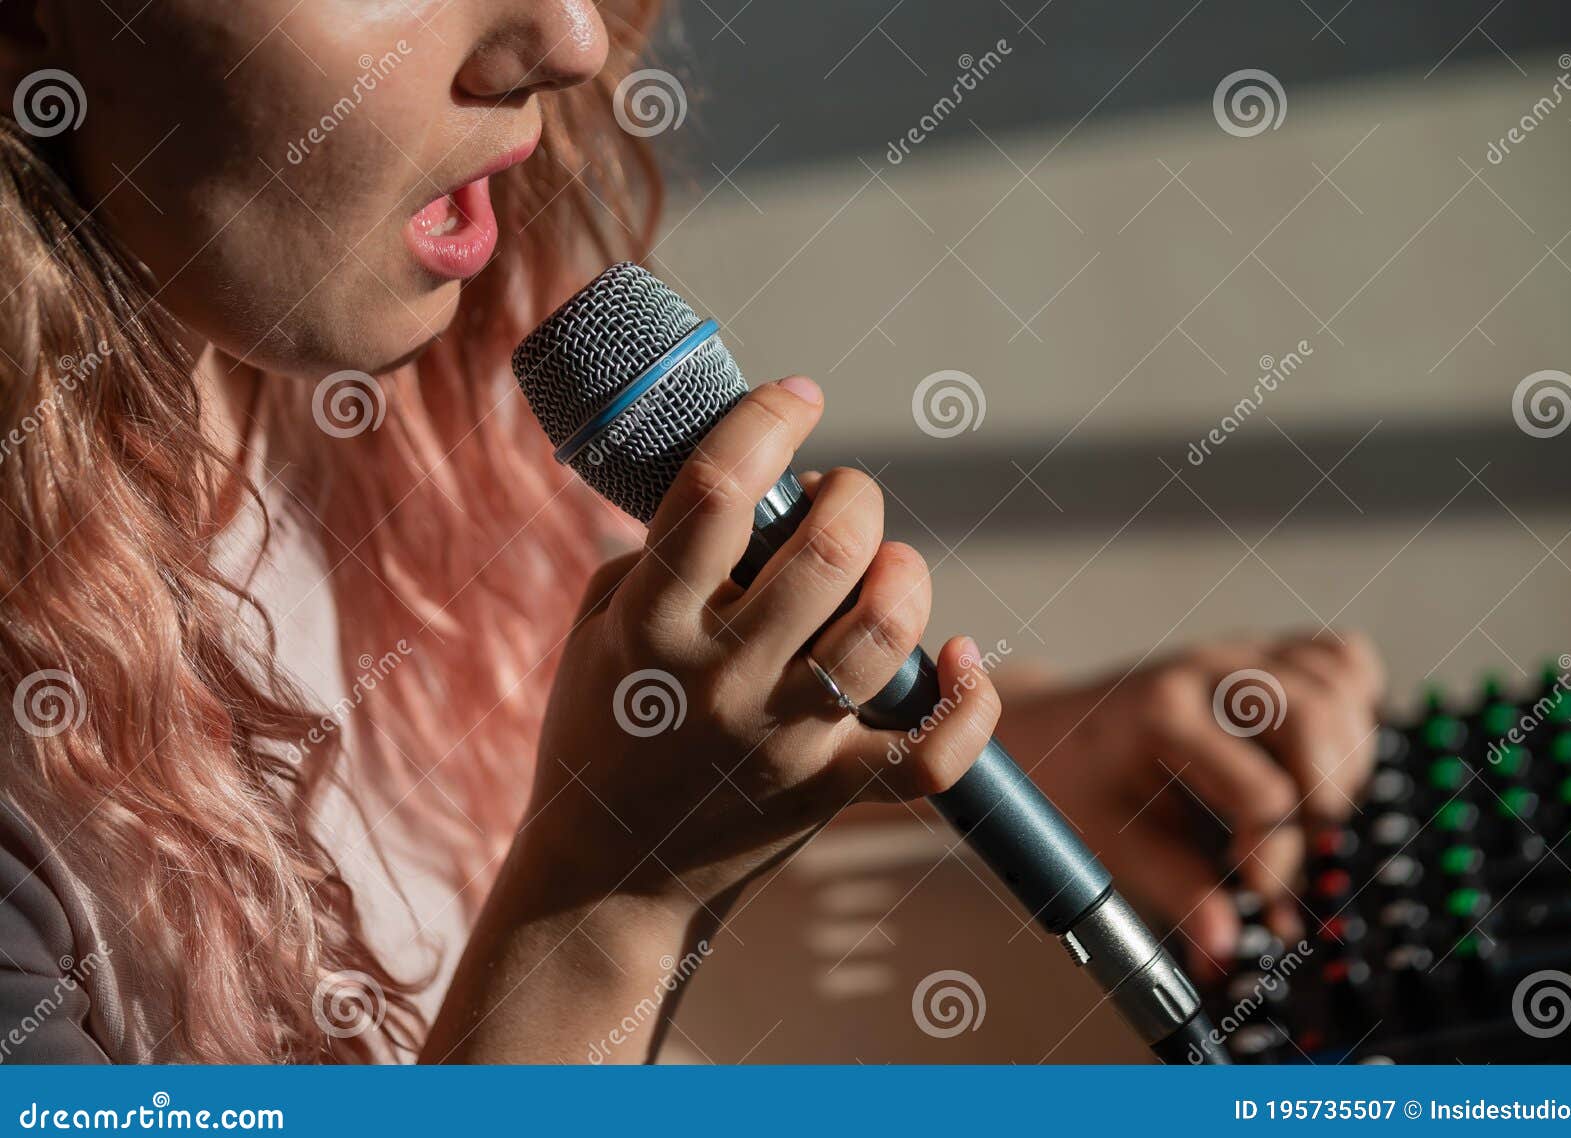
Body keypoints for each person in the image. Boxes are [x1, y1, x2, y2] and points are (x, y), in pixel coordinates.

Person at [0, 1, 1382, 1063]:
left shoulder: (404, 367)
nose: (566, 35)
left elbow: (499, 788)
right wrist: (607, 914)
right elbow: (584, 847)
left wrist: (1013, 748)